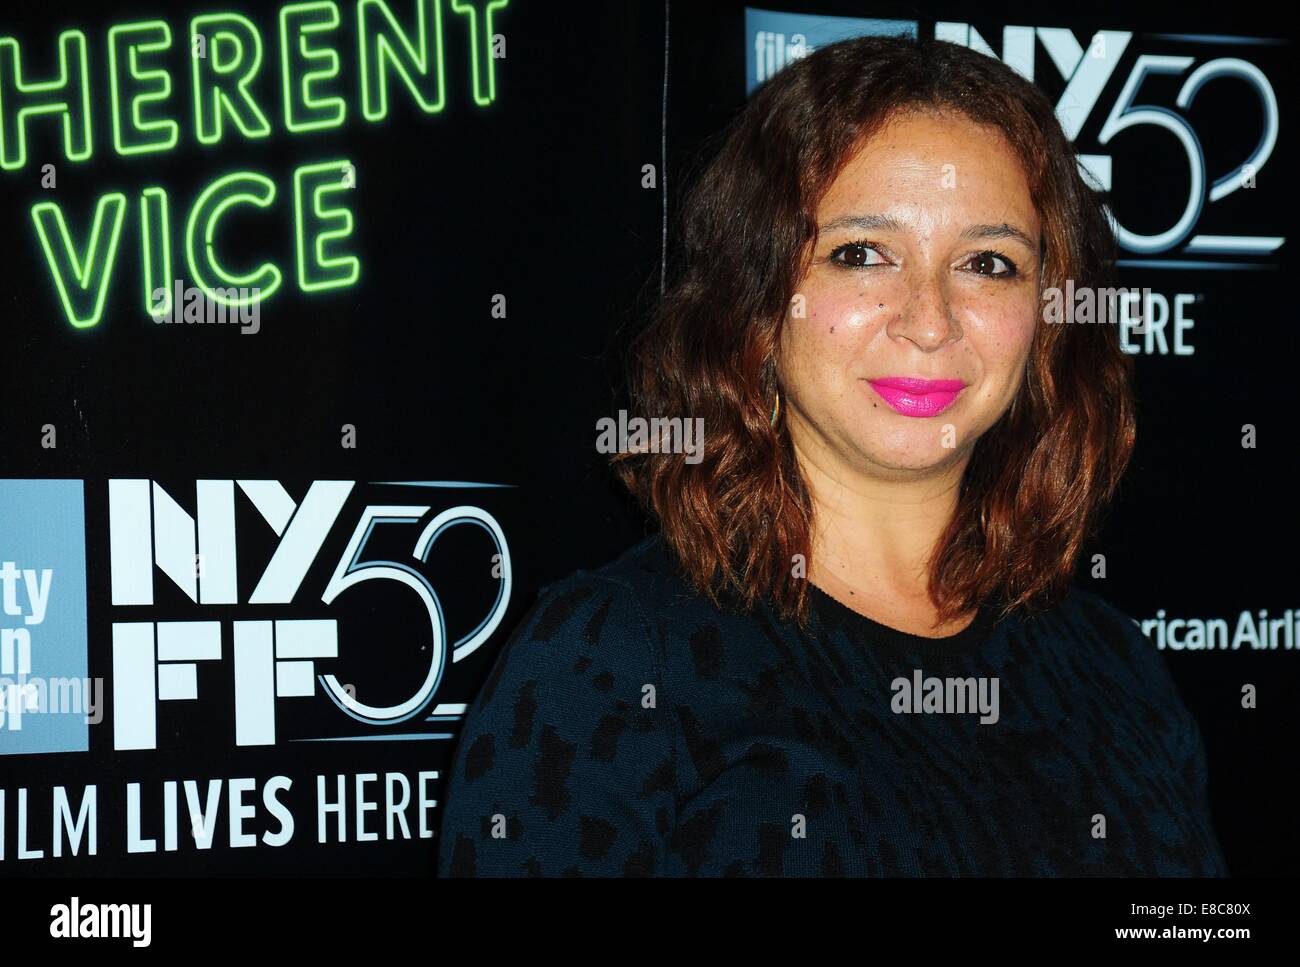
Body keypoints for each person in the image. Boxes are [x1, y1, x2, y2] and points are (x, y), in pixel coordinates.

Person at [436, 34, 1227, 876]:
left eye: (989, 264)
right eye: (860, 253)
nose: (929, 318)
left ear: (1047, 318)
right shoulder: (610, 664)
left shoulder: (1112, 668)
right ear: (757, 298)